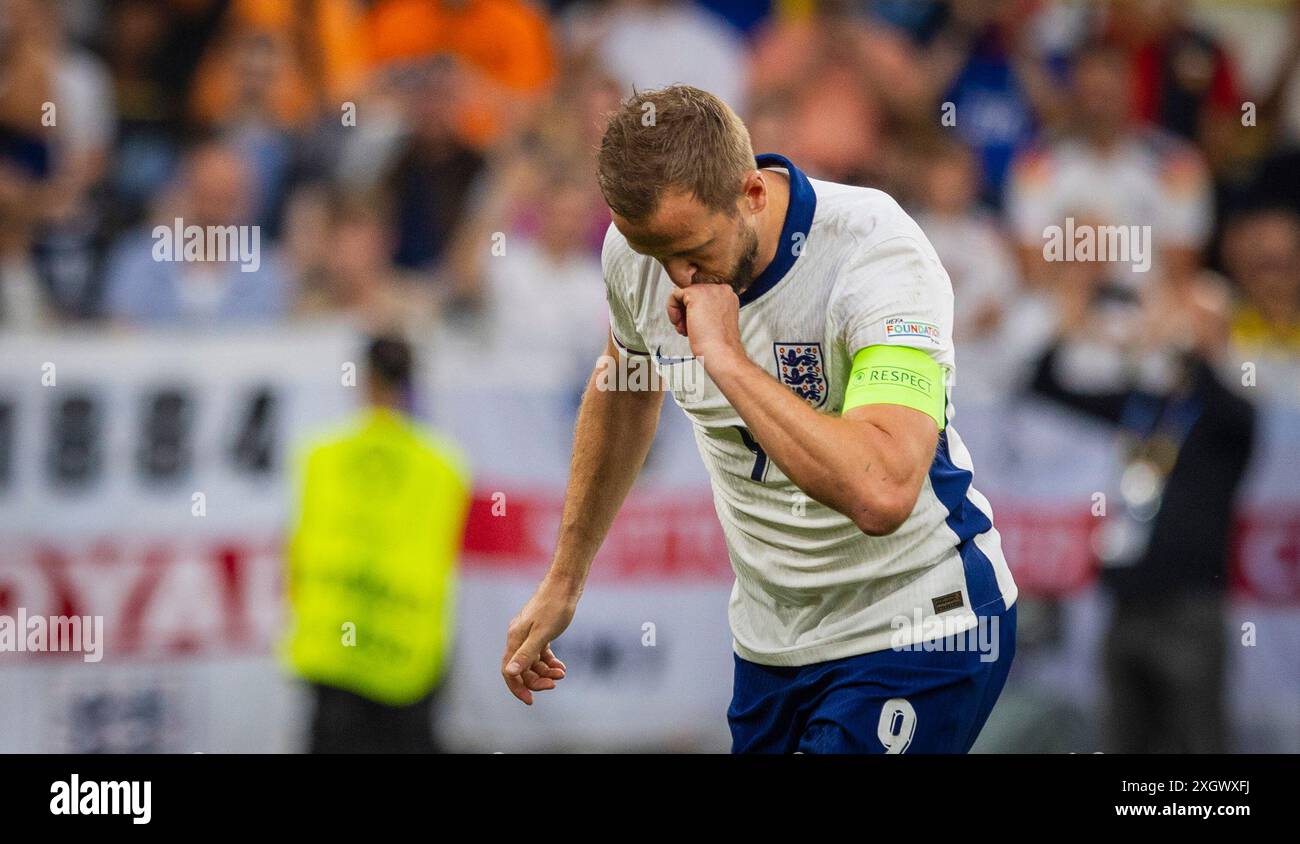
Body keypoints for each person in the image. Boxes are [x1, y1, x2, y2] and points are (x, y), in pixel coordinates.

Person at [500, 85, 1018, 754]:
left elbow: (883, 490)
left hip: (920, 623)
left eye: (692, 250)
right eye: (655, 254)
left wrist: (727, 358)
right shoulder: (640, 256)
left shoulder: (874, 251)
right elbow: (626, 386)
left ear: (750, 194)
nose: (678, 278)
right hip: (772, 644)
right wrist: (563, 581)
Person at [1028, 277, 1256, 753]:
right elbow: (1044, 386)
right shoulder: (1143, 407)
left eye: (1194, 320)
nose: (1176, 327)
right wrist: (1069, 330)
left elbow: (1219, 396)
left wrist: (1195, 342)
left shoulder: (1231, 415)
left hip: (1189, 607)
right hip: (1127, 603)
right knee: (1124, 739)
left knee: (1199, 742)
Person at [285, 335, 471, 753]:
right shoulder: (444, 465)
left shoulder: (319, 456)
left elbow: (298, 550)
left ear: (364, 381)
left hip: (334, 652)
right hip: (407, 656)